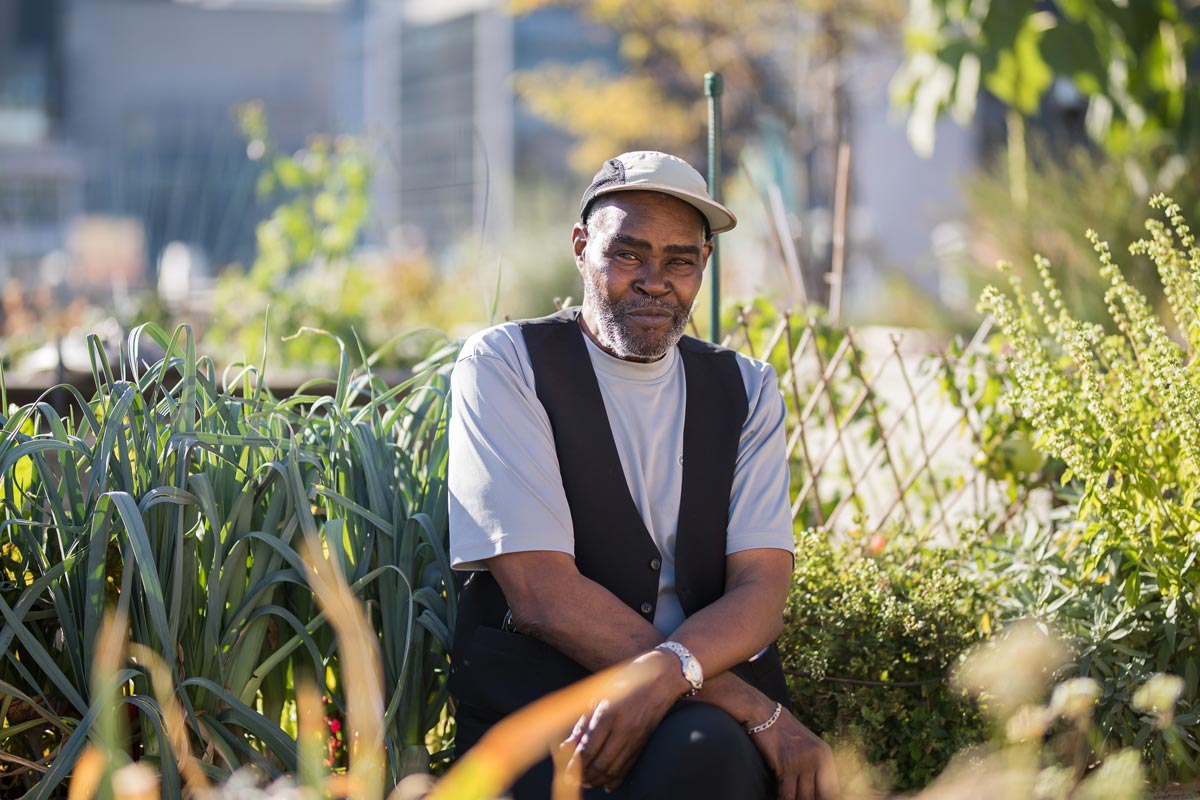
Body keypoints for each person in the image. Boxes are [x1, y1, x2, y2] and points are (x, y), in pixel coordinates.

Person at [447, 150, 838, 800]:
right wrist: (746, 704)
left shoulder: (746, 389)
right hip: (547, 711)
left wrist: (670, 678)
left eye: (680, 260)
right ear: (581, 247)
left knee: (707, 755)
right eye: (628, 254)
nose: (656, 280)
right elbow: (542, 595)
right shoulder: (506, 365)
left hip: (704, 722)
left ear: (704, 265)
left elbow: (760, 586)